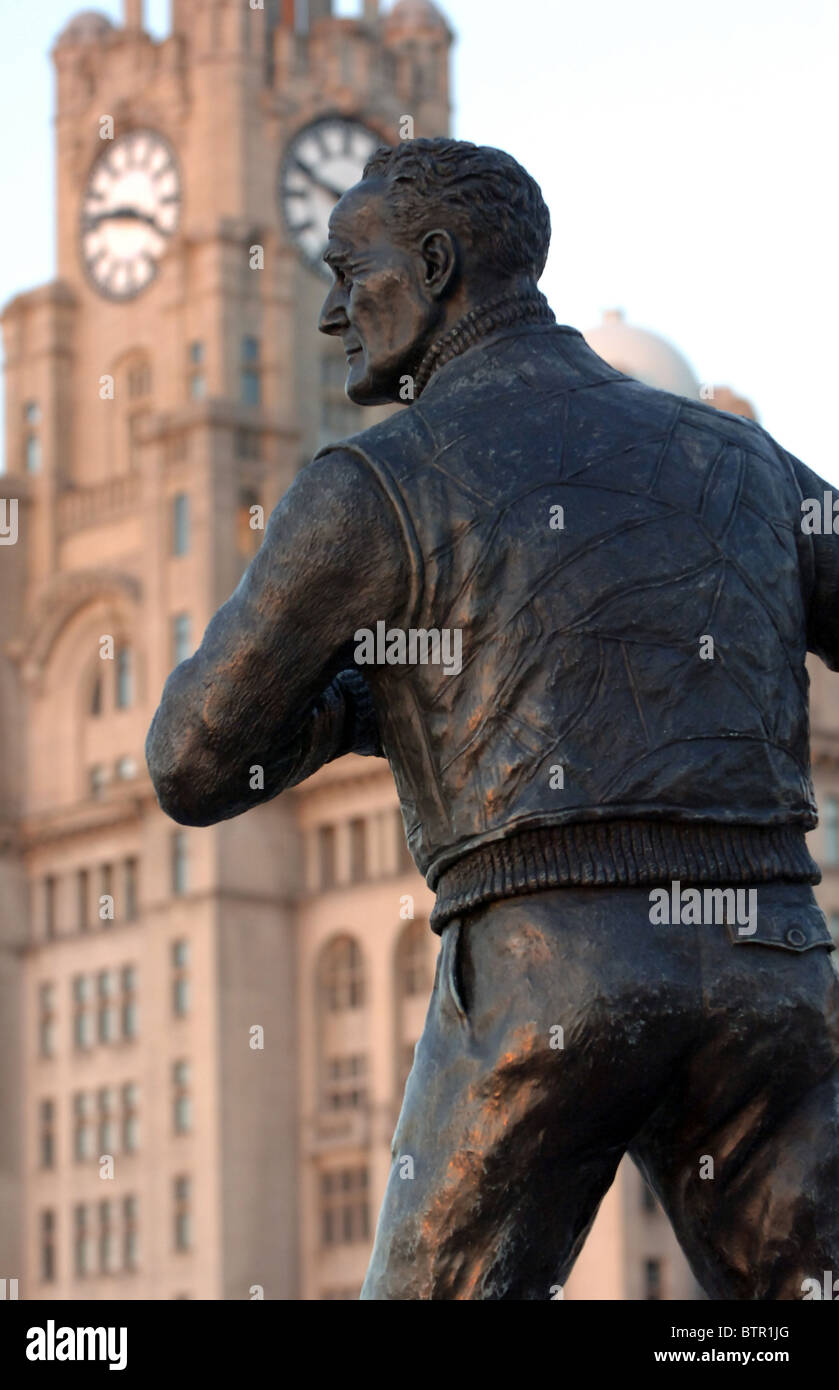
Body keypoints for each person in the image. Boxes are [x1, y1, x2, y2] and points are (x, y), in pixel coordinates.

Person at [147, 137, 839, 1300]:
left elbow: (191, 762)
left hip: (552, 969)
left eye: (347, 270)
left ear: (431, 263)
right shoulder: (741, 460)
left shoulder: (372, 486)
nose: (331, 313)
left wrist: (371, 697)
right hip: (767, 957)